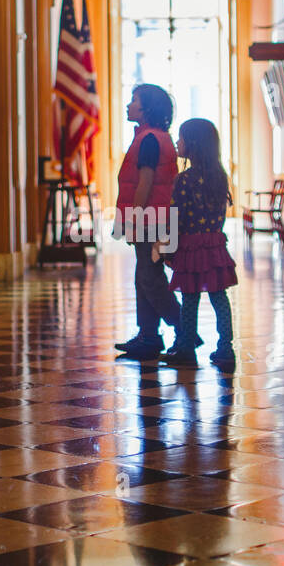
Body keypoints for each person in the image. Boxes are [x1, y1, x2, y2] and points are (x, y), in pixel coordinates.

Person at [153, 118, 238, 367]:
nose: (177, 143)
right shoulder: (220, 177)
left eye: (180, 138)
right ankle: (226, 348)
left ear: (192, 144)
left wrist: (167, 249)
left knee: (190, 300)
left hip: (191, 248)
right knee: (219, 298)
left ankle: (187, 348)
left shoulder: (184, 180)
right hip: (214, 247)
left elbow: (175, 220)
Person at [113, 84, 182, 359]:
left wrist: (132, 220)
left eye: (134, 100)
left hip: (152, 220)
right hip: (156, 218)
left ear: (147, 109)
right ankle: (149, 336)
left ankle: (183, 328)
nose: (128, 105)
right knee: (145, 276)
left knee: (149, 277)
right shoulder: (151, 137)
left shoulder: (149, 140)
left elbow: (145, 183)